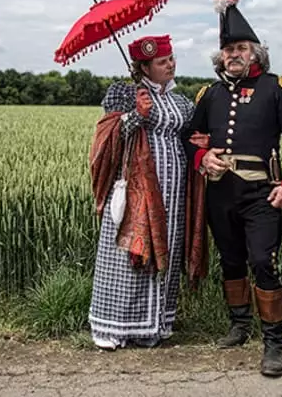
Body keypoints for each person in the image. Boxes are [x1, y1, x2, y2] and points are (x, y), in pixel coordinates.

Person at [182, 0, 282, 377]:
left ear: (255, 53)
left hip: (263, 194)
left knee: (262, 261)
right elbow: (187, 138)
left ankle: (274, 345)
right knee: (232, 260)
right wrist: (203, 157)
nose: (233, 55)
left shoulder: (277, 89)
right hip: (221, 194)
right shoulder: (210, 94)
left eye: (240, 48)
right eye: (227, 49)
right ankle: (239, 324)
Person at [88, 34, 208, 350]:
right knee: (130, 255)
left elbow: (187, 137)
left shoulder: (180, 101)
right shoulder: (124, 94)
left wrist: (198, 142)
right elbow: (108, 138)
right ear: (144, 66)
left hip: (174, 192)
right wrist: (135, 116)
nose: (170, 65)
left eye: (171, 59)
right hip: (138, 191)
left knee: (165, 251)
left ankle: (153, 326)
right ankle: (114, 328)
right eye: (161, 62)